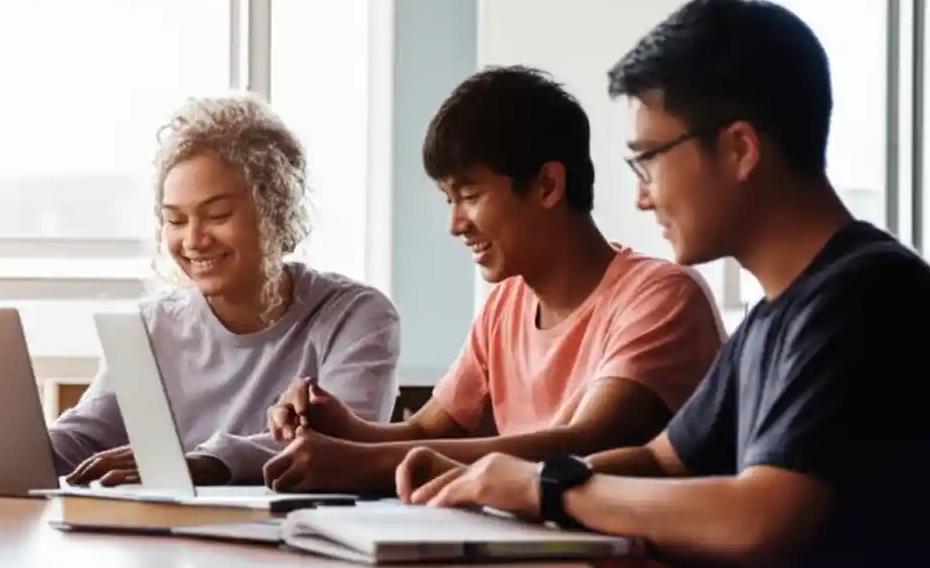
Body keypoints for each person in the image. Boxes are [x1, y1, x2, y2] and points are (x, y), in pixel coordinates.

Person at [398, 0, 930, 568]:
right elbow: (661, 459)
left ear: (739, 148)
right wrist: (496, 485)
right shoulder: (773, 318)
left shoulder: (867, 295)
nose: (643, 194)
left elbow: (760, 520)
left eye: (649, 159)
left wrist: (546, 488)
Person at [263, 66, 724, 494]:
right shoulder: (506, 303)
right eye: (449, 199)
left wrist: (365, 463)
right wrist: (339, 427)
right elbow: (425, 432)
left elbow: (584, 444)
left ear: (547, 186)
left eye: (469, 195)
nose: (455, 223)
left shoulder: (661, 297)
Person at [52, 93, 399, 486]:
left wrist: (206, 463)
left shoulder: (355, 315)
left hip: (295, 539)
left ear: (274, 211)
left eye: (217, 215)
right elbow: (84, 437)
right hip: (165, 541)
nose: (194, 240)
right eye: (175, 220)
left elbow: (346, 445)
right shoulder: (151, 325)